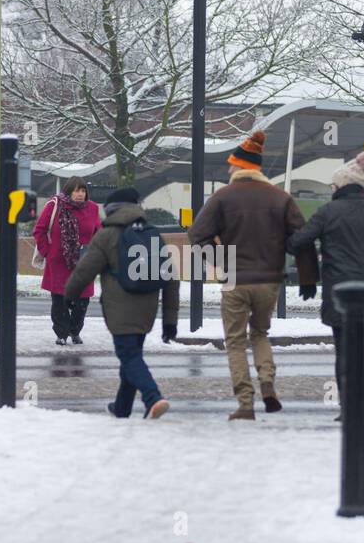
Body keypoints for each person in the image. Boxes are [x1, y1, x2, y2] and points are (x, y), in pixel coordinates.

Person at [188, 129, 318, 421]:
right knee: (260, 334)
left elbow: (197, 236)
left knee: (235, 342)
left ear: (240, 167)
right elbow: (303, 236)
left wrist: (223, 262)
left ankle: (245, 403)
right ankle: (268, 382)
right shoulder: (280, 198)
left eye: (232, 164)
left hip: (236, 280)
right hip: (269, 281)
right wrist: (308, 276)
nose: (229, 168)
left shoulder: (223, 197)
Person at [287, 150, 364, 420]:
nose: (331, 188)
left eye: (333, 185)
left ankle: (347, 405)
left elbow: (298, 242)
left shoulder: (328, 212)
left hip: (340, 292)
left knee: (343, 349)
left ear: (341, 185)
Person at [64, 186, 178, 420]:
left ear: (111, 210)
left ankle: (153, 397)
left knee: (129, 356)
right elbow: (170, 279)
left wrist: (69, 296)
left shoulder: (106, 236)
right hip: (147, 309)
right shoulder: (152, 234)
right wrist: (170, 321)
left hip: (120, 309)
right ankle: (122, 407)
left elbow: (84, 271)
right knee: (131, 355)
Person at [34, 177, 102, 345]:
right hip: (59, 261)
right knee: (60, 300)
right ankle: (61, 334)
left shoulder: (92, 208)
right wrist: (48, 252)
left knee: (82, 301)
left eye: (83, 191)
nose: (80, 194)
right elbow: (39, 230)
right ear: (68, 191)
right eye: (76, 190)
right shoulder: (55, 205)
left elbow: (98, 232)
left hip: (84, 263)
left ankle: (75, 330)